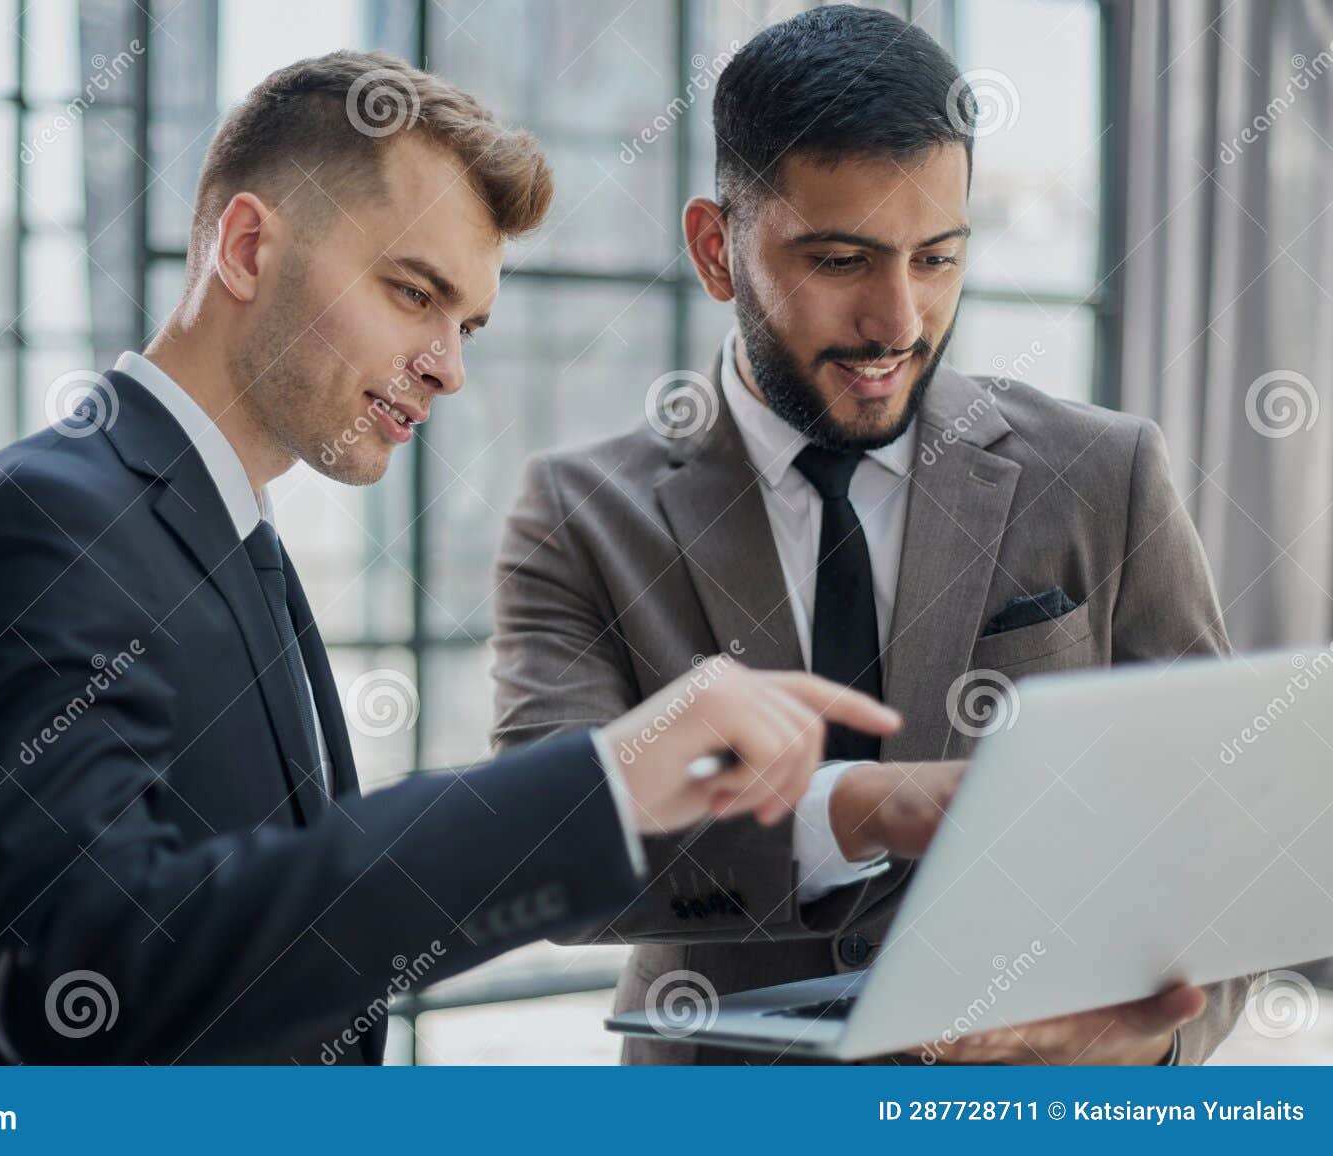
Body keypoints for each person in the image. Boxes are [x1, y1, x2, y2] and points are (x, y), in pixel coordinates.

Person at [0, 50, 900, 1065]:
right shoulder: (47, 520)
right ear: (246, 248)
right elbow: (87, 979)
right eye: (413, 293)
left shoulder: (233, 542)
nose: (450, 367)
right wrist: (600, 783)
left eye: (466, 322)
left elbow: (271, 927)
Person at [490, 6, 1245, 1065]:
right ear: (716, 249)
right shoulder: (578, 518)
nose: (898, 320)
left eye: (936, 258)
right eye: (840, 260)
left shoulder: (1102, 476)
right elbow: (541, 857)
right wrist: (849, 810)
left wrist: (1138, 1048)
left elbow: (1220, 840)